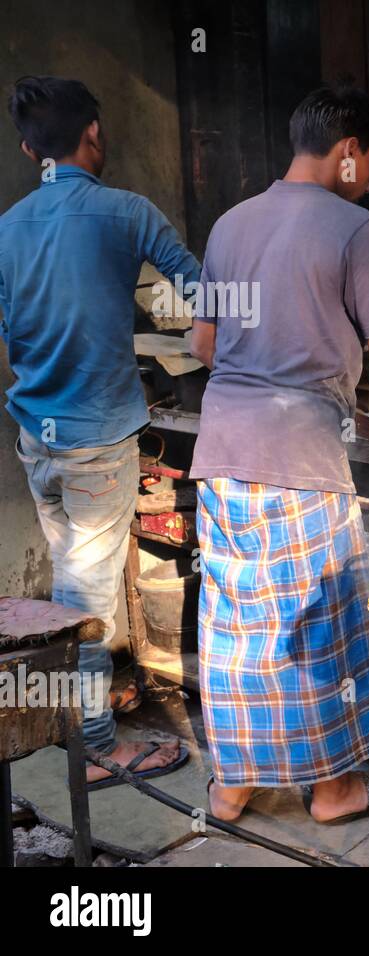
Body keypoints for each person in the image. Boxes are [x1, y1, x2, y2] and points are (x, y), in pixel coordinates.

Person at [189, 84, 369, 823]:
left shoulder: (230, 223)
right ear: (347, 153)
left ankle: (232, 785)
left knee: (237, 627)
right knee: (317, 627)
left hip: (221, 457)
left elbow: (205, 345)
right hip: (298, 464)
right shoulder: (352, 227)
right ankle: (334, 790)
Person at [0, 76, 197, 788]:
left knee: (70, 583)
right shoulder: (126, 211)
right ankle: (93, 747)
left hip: (38, 436)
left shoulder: (7, 226)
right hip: (96, 441)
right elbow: (203, 298)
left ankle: (74, 709)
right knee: (85, 603)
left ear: (29, 149)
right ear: (94, 134)